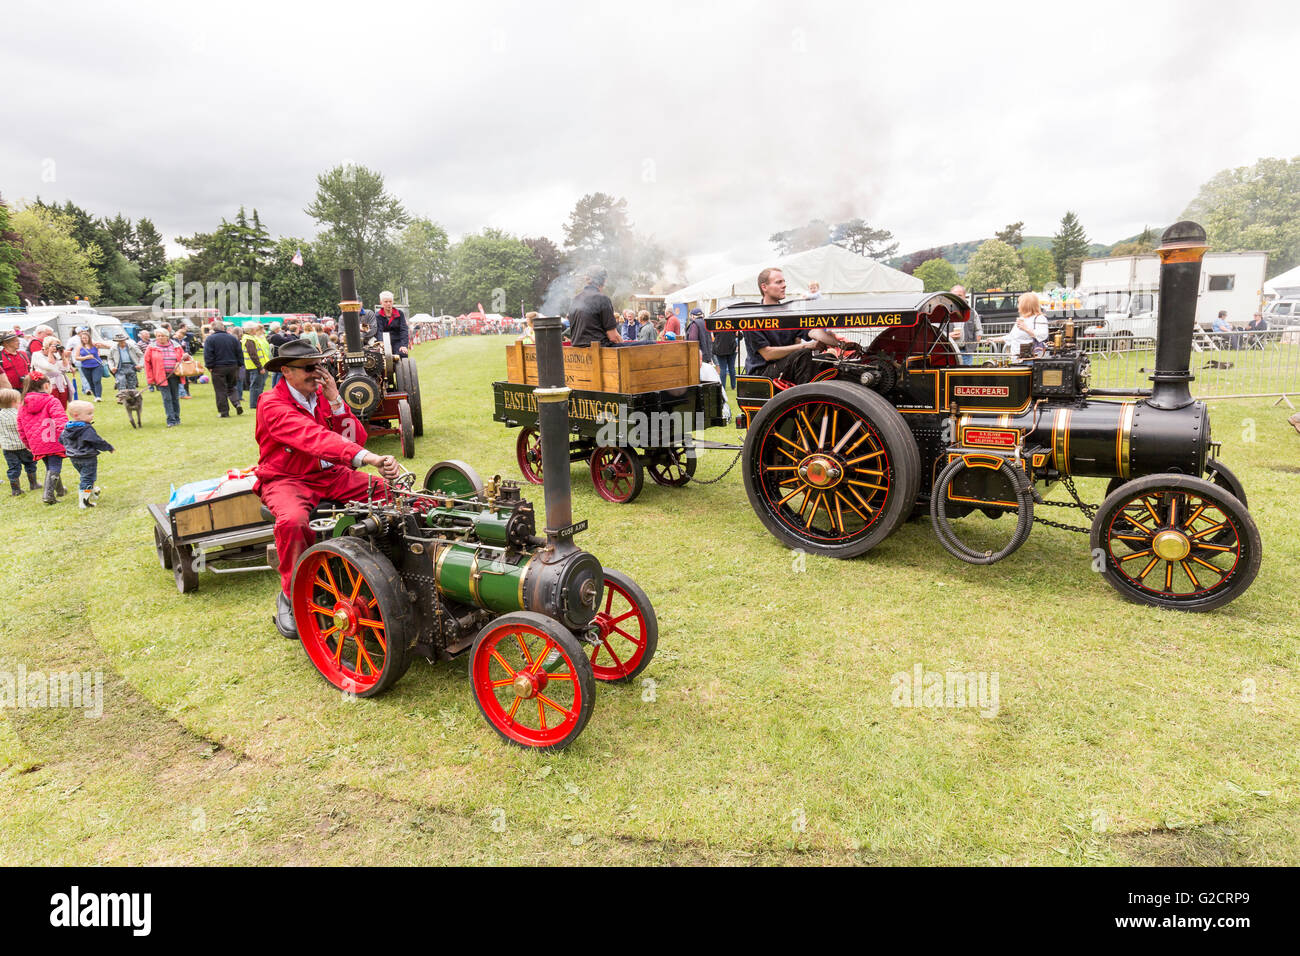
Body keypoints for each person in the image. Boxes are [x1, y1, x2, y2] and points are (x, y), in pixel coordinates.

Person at [254, 338, 401, 638]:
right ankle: (292, 593)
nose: (317, 373)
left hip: (332, 474)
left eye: (321, 366)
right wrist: (369, 459)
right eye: (309, 368)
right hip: (287, 479)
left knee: (391, 493)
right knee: (293, 522)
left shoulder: (323, 396)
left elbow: (355, 437)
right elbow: (315, 438)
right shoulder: (271, 404)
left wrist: (336, 400)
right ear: (287, 372)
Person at [742, 267, 840, 384]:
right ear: (764, 287)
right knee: (803, 354)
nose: (784, 285)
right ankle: (808, 400)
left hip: (785, 366)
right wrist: (806, 346)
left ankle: (827, 399)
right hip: (763, 374)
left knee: (828, 360)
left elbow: (813, 331)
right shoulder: (752, 318)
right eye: (779, 282)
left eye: (784, 281)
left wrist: (839, 343)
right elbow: (768, 354)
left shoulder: (789, 314)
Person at [17, 372, 67, 504]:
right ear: (46, 386)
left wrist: (27, 443)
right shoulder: (52, 401)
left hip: (36, 443)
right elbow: (60, 419)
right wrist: (66, 434)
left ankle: (60, 490)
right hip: (52, 440)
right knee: (55, 466)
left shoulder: (23, 405)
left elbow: (20, 427)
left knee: (50, 466)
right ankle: (48, 495)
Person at [60, 399, 114, 508]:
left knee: (87, 476)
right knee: (87, 478)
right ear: (76, 415)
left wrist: (70, 448)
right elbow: (96, 440)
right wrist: (108, 447)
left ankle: (92, 493)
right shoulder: (86, 428)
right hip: (87, 458)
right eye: (89, 414)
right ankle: (84, 502)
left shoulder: (67, 427)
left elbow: (61, 439)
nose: (92, 416)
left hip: (74, 458)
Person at [145, 331, 190, 427]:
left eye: (162, 336)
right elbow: (147, 364)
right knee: (167, 398)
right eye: (158, 336)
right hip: (160, 376)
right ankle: (171, 420)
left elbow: (185, 359)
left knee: (175, 397)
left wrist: (186, 356)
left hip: (174, 375)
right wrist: (150, 379)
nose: (160, 338)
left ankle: (177, 418)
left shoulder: (176, 346)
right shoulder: (151, 348)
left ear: (167, 337)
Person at [567, 267, 620, 346]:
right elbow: (613, 337)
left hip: (577, 350)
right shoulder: (602, 299)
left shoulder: (575, 299)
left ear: (587, 280)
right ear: (604, 280)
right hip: (600, 350)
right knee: (644, 344)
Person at [0, 387, 39, 495]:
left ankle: (16, 489)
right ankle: (33, 484)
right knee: (30, 464)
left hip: (8, 448)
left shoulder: (0, 415)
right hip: (23, 446)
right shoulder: (19, 414)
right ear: (14, 402)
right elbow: (27, 428)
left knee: (13, 468)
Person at [203, 319, 244, 417]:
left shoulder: (210, 339)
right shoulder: (233, 338)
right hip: (233, 366)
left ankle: (224, 412)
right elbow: (239, 352)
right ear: (223, 328)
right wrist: (239, 364)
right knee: (232, 387)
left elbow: (208, 354)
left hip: (218, 367)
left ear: (214, 328)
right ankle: (237, 403)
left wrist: (209, 366)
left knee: (220, 389)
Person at [1003, 292, 1049, 361]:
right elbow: (1012, 337)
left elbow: (1043, 335)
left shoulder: (1040, 318)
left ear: (1025, 305)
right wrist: (993, 339)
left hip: (1030, 359)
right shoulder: (1022, 319)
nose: (1018, 306)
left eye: (1019, 303)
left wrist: (1025, 328)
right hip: (1016, 359)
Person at [31, 337, 73, 407]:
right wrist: (50, 353)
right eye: (54, 346)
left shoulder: (56, 354)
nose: (56, 348)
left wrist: (63, 356)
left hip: (60, 385)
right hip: (47, 385)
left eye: (57, 345)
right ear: (47, 346)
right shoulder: (37, 355)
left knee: (62, 407)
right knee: (51, 407)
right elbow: (49, 367)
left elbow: (65, 368)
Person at [948, 284, 983, 366]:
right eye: (954, 295)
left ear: (965, 297)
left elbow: (979, 330)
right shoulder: (945, 312)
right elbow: (937, 331)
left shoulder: (972, 312)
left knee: (965, 377)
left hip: (966, 353)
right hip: (949, 352)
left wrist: (973, 345)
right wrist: (948, 336)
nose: (957, 297)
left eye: (960, 295)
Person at [74, 329, 111, 401]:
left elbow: (108, 347)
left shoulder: (95, 345)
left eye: (86, 338)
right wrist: (86, 357)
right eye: (83, 338)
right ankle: (96, 396)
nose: (84, 339)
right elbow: (76, 358)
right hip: (85, 367)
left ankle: (98, 396)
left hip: (97, 365)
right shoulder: (80, 347)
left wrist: (102, 344)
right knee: (90, 382)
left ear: (89, 338)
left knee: (96, 380)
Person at [243, 322, 271, 408]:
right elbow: (253, 355)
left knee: (258, 385)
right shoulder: (249, 339)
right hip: (255, 367)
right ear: (251, 330)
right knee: (256, 386)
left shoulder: (250, 338)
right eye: (255, 328)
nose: (256, 330)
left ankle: (257, 403)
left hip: (255, 366)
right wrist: (260, 367)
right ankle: (254, 404)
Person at [375, 292, 410, 356]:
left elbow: (404, 330)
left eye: (390, 301)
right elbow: (379, 331)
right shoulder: (377, 315)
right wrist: (381, 344)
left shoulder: (400, 314)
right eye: (386, 302)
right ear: (381, 303)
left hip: (397, 341)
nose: (388, 304)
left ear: (393, 302)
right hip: (384, 342)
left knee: (402, 353)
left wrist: (404, 345)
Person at [712, 322, 738, 389]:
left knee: (723, 368)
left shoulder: (717, 324)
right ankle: (733, 386)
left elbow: (714, 334)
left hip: (720, 348)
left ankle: (723, 387)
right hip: (731, 347)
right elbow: (737, 334)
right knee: (731, 367)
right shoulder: (732, 323)